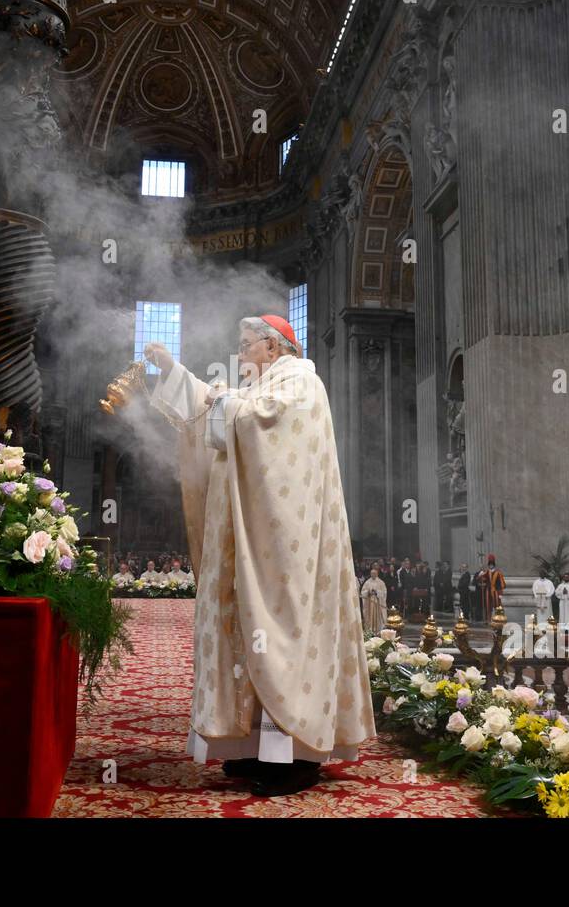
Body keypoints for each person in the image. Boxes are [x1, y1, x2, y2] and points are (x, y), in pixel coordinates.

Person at [144, 317, 374, 797]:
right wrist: (172, 370)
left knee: (282, 631)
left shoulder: (301, 382)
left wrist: (221, 401)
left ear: (272, 346)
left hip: (286, 549)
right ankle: (250, 747)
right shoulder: (266, 382)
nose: (241, 351)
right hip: (247, 541)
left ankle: (291, 757)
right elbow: (219, 415)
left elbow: (257, 422)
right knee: (247, 637)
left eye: (246, 344)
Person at [360, 565, 388, 634]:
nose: (373, 575)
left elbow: (384, 593)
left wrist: (376, 592)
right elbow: (362, 593)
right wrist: (368, 592)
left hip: (378, 603)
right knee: (370, 616)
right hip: (369, 603)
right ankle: (370, 629)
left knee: (377, 617)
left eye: (374, 573)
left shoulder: (381, 582)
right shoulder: (367, 582)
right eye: (372, 574)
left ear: (377, 574)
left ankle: (378, 630)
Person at [477, 554, 505, 622]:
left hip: (496, 592)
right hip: (488, 591)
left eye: (492, 565)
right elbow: (481, 579)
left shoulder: (498, 573)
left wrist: (500, 593)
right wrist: (480, 575)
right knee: (488, 606)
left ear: (493, 565)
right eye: (489, 565)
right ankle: (488, 620)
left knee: (497, 606)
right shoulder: (487, 572)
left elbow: (501, 584)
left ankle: (498, 619)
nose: (490, 566)